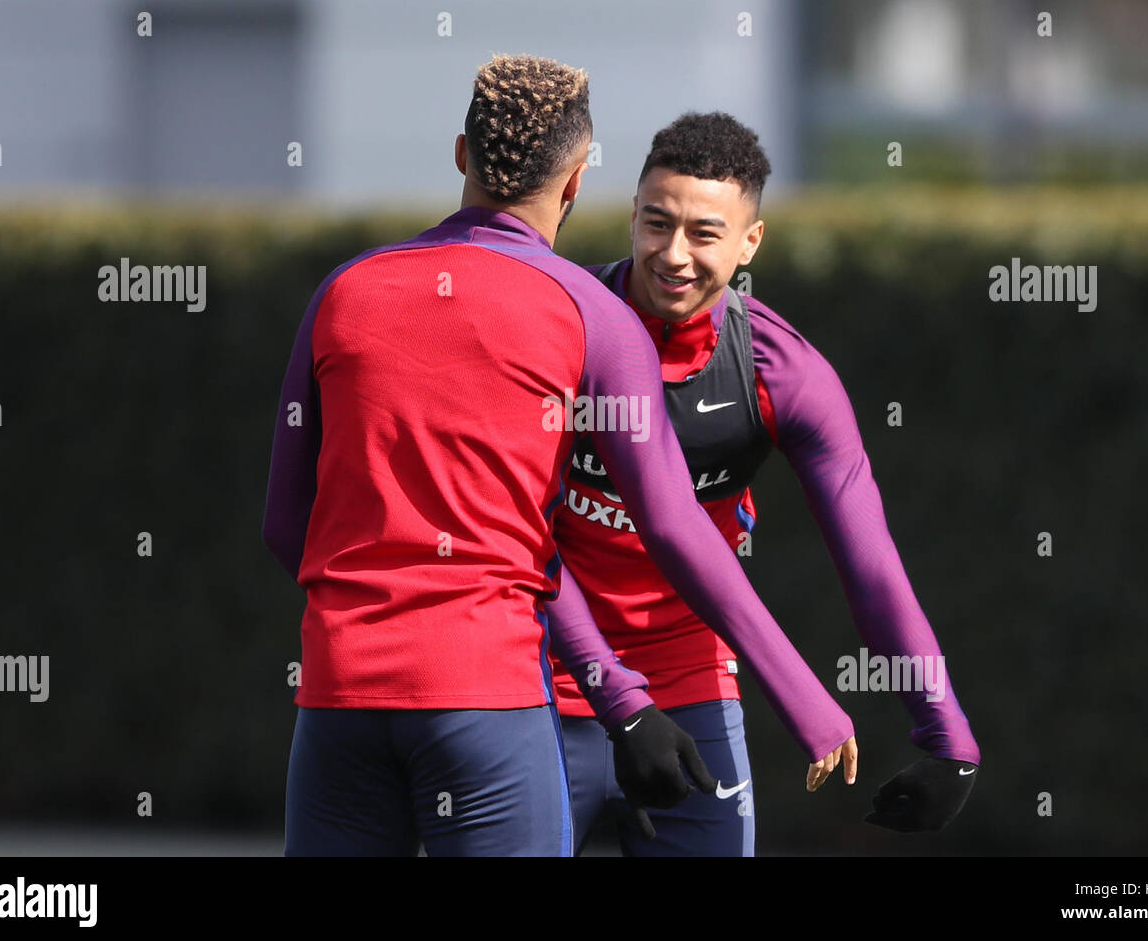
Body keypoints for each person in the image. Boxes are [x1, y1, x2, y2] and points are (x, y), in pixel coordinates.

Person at [262, 58, 854, 856]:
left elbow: (283, 524)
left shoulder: (345, 291)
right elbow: (676, 530)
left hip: (335, 696)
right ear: (576, 185)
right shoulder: (592, 314)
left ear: (463, 154)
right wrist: (803, 698)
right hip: (488, 699)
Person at [547, 112, 981, 856]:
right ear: (631, 216)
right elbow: (509, 532)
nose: (673, 255)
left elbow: (872, 570)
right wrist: (613, 695)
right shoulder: (556, 332)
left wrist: (949, 736)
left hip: (688, 686)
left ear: (751, 243)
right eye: (657, 223)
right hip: (536, 685)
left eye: (705, 233)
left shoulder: (783, 373)